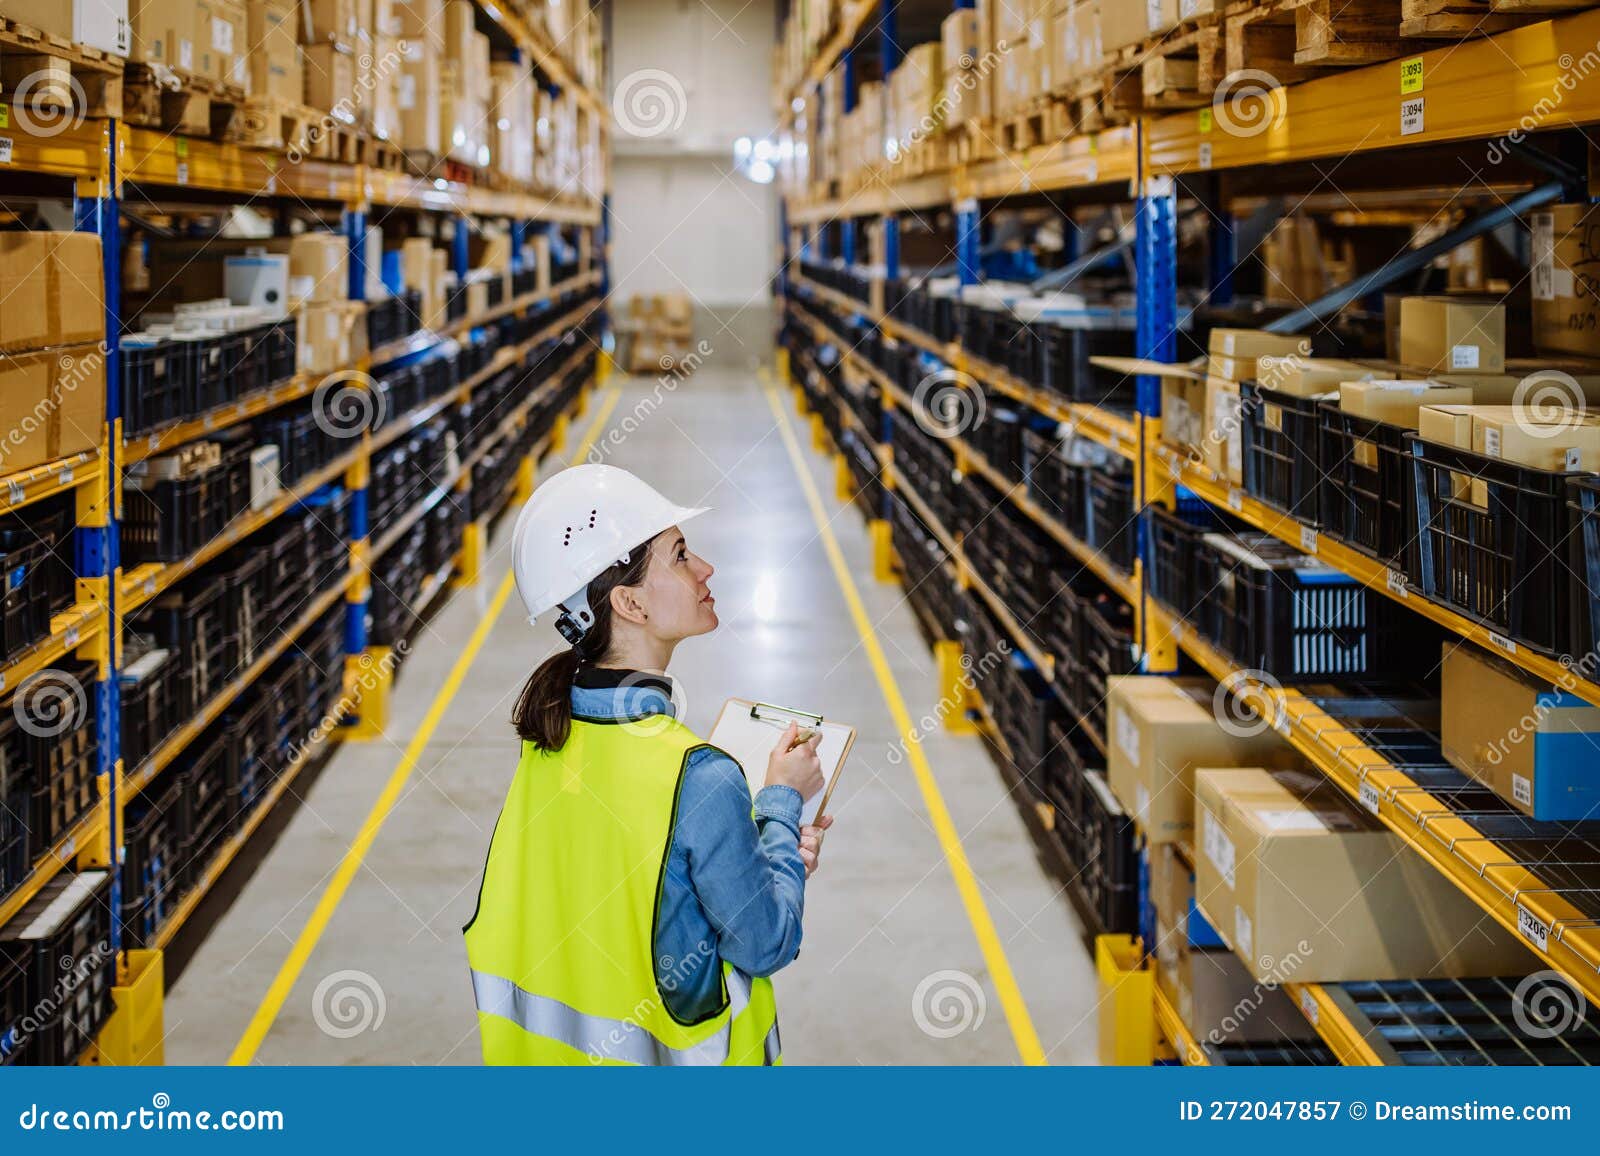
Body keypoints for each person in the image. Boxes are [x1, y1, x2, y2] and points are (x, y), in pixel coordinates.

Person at [464, 463, 833, 1066]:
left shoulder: (545, 742)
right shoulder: (699, 775)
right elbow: (765, 942)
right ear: (630, 602)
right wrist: (782, 805)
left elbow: (638, 904)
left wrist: (769, 849)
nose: (706, 569)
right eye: (682, 555)